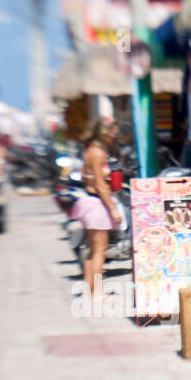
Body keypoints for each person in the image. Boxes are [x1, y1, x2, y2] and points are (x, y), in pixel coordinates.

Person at [72, 118, 121, 298]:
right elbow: (100, 185)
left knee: (92, 250)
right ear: (105, 133)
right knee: (100, 250)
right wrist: (113, 210)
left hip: (88, 201)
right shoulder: (99, 154)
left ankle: (89, 290)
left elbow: (86, 176)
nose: (115, 136)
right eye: (113, 132)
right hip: (98, 204)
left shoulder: (89, 151)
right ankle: (97, 292)